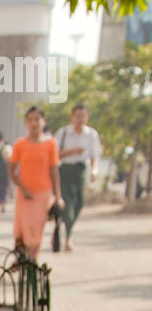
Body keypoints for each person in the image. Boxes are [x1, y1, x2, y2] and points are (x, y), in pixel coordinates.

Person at [9, 106, 63, 260]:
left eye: (37, 119)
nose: (34, 123)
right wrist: (23, 188)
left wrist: (58, 196)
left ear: (43, 122)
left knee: (35, 232)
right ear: (26, 123)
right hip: (25, 195)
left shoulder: (50, 144)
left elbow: (54, 170)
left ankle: (32, 263)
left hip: (43, 194)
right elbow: (12, 171)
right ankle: (23, 260)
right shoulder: (20, 144)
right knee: (21, 230)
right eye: (30, 119)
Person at [55, 103, 101, 251]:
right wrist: (72, 151)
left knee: (78, 203)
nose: (80, 119)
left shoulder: (91, 134)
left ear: (87, 117)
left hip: (80, 170)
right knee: (67, 203)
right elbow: (55, 154)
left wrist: (94, 171)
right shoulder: (63, 133)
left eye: (83, 116)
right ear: (72, 117)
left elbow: (94, 155)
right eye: (77, 116)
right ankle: (68, 237)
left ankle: (67, 228)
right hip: (65, 170)